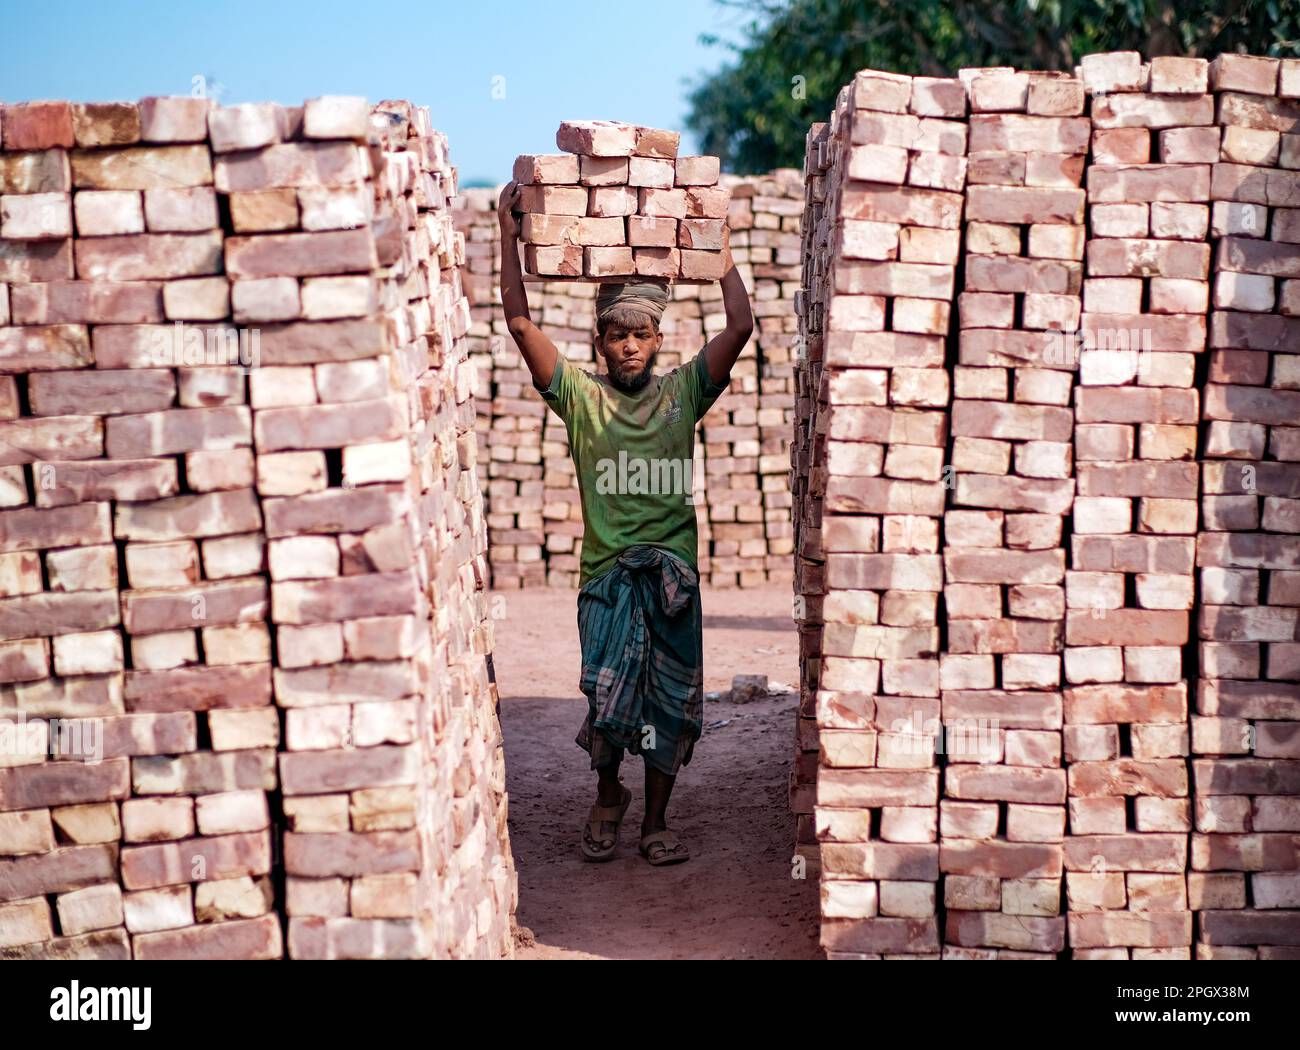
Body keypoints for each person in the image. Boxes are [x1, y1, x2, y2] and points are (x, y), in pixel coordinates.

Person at [496, 180, 754, 865]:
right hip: (608, 581)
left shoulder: (683, 393)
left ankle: (656, 821)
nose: (630, 346)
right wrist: (507, 233)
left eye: (642, 334)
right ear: (600, 342)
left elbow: (740, 328)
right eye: (618, 335)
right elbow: (521, 325)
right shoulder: (581, 398)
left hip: (672, 579)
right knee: (609, 701)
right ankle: (609, 792)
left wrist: (715, 247)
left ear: (658, 339)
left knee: (670, 703)